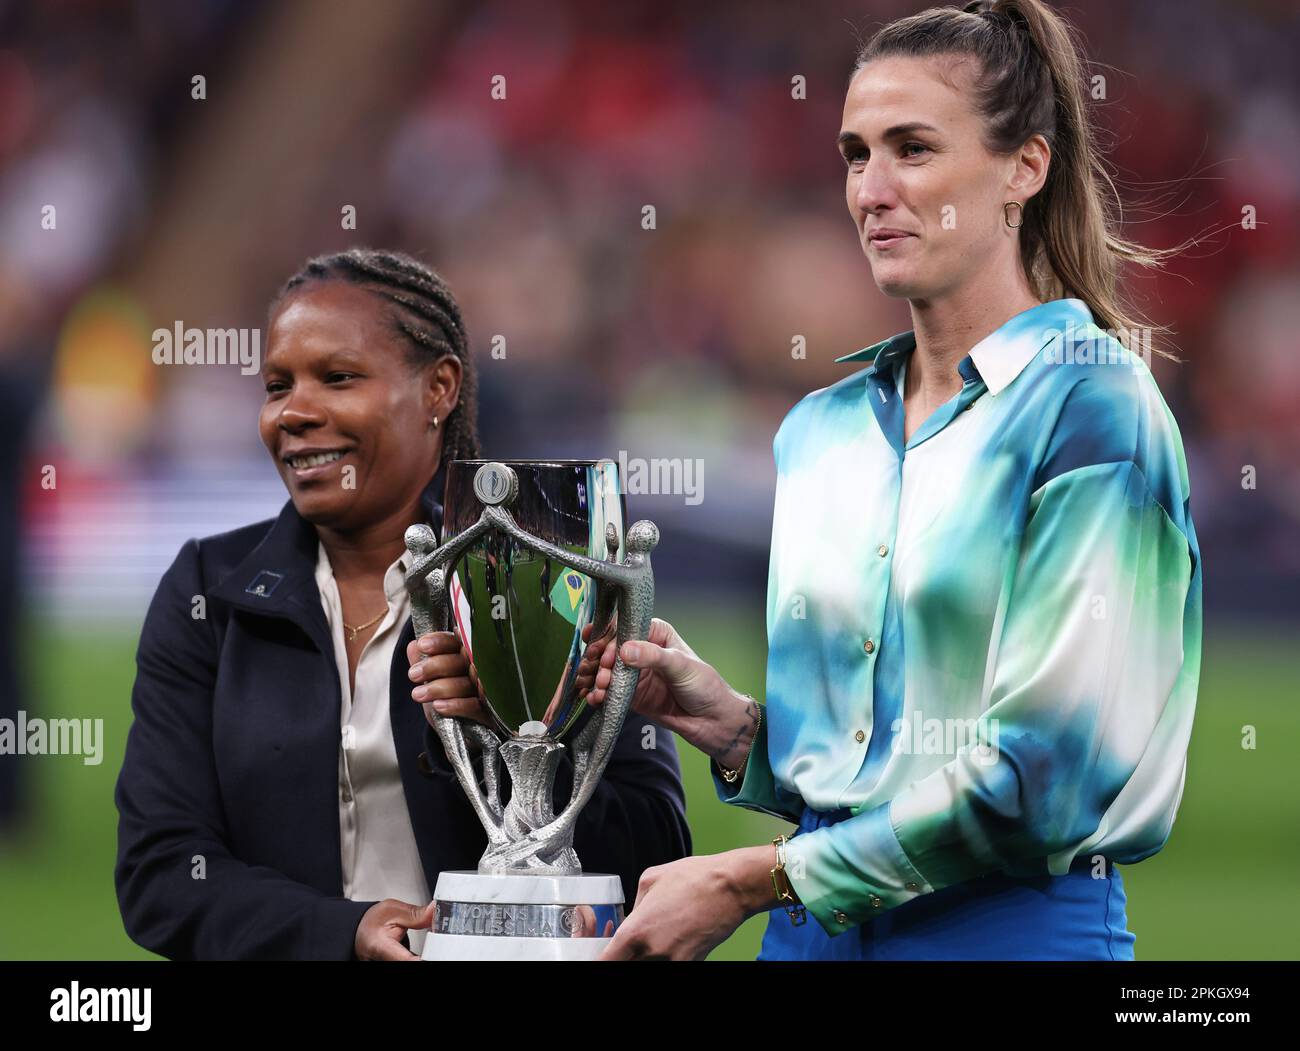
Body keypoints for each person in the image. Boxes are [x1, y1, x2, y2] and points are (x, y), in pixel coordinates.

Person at [419, 0, 1204, 960]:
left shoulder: (1093, 405)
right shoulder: (820, 431)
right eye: (854, 153)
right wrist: (738, 727)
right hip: (810, 937)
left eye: (912, 149)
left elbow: (1047, 781)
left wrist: (758, 876)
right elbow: (874, 774)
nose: (872, 189)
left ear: (1024, 169)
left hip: (1006, 936)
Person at [114, 248, 691, 960]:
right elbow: (161, 871)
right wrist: (343, 932)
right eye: (276, 385)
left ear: (439, 389)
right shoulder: (210, 590)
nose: (294, 411)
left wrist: (509, 739)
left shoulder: (552, 578)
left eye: (338, 378)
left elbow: (655, 854)